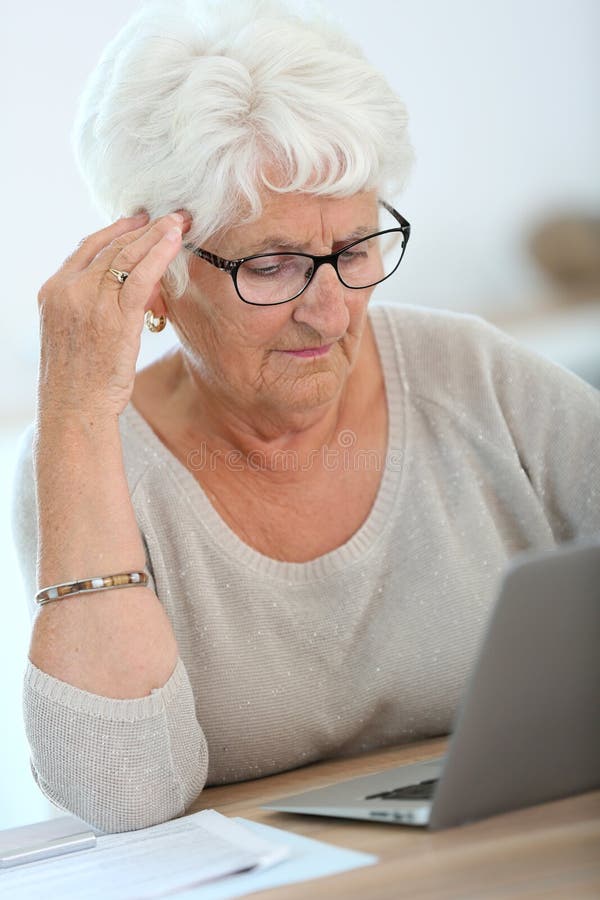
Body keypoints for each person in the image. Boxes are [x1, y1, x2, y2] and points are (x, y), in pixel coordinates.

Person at [11, 0, 600, 834]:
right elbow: (121, 798)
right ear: (158, 275)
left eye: (355, 251)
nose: (330, 312)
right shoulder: (89, 461)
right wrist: (73, 416)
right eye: (276, 265)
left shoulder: (474, 377)